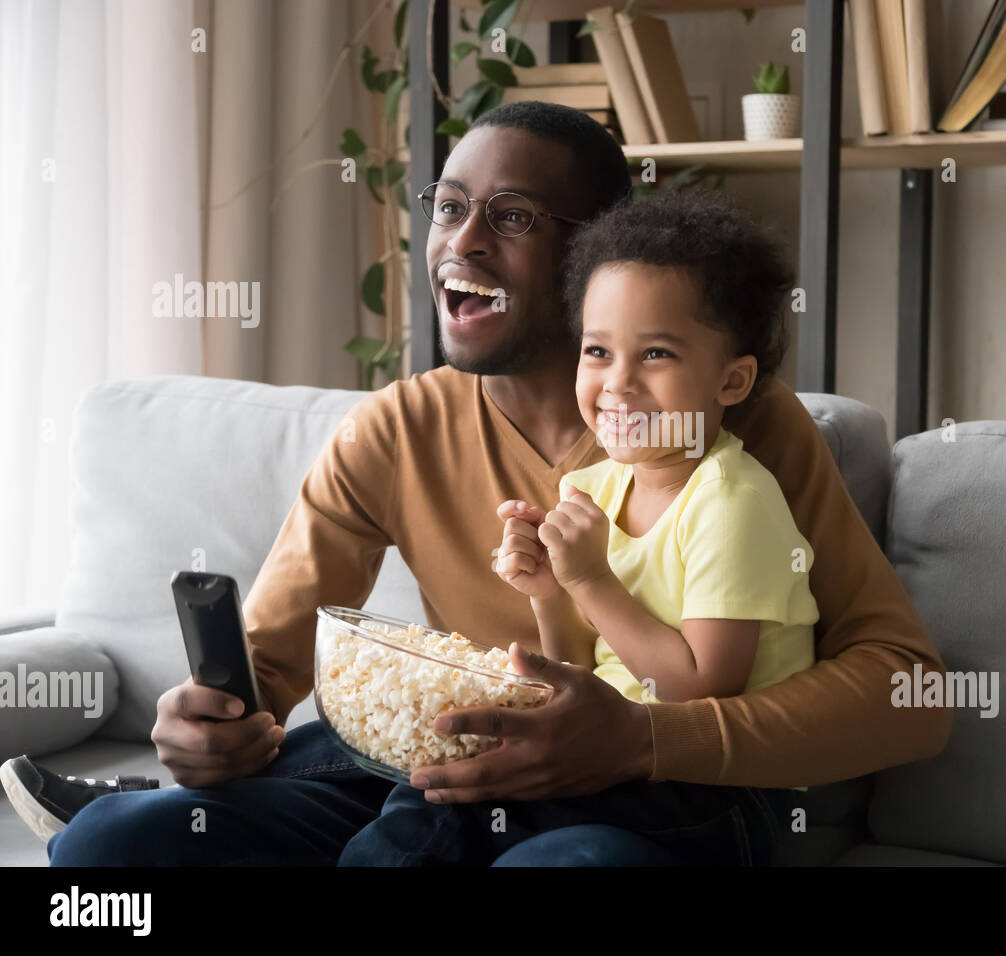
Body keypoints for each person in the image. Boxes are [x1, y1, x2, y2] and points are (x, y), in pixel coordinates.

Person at [41, 102, 950, 866]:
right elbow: (268, 668)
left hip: (644, 803)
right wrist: (210, 723)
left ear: (596, 257)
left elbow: (908, 693)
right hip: (447, 782)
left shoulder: (730, 435)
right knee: (113, 844)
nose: (460, 243)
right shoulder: (396, 429)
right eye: (450, 207)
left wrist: (642, 741)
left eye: (512, 217)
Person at [338, 189, 819, 865]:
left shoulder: (732, 503)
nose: (616, 384)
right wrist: (547, 589)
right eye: (597, 351)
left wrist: (590, 578)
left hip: (720, 790)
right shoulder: (592, 488)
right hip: (612, 761)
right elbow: (574, 666)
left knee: (497, 824)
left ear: (732, 382)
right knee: (425, 804)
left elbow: (700, 689)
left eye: (655, 355)